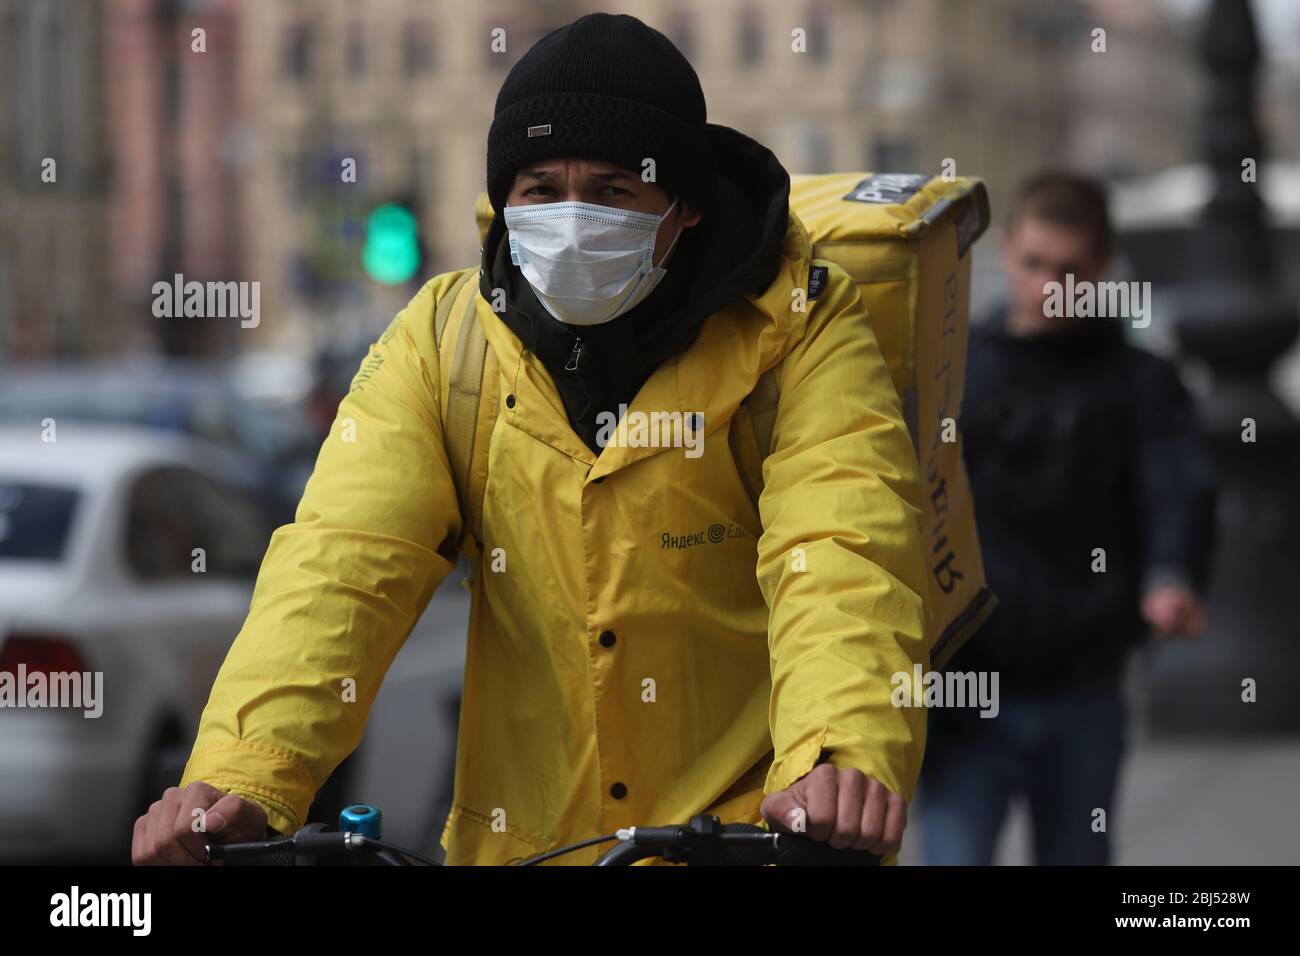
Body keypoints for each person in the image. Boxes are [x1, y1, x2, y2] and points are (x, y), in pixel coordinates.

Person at [132, 13, 932, 866]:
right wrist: (243, 777)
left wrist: (835, 759)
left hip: (742, 837)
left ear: (686, 207)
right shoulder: (444, 339)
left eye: (614, 190)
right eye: (541, 188)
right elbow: (342, 565)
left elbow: (843, 548)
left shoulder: (802, 327)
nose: (573, 218)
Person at [916, 172, 1217, 866]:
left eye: (1071, 269)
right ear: (1010, 249)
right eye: (1035, 264)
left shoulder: (1139, 384)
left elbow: (1176, 487)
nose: (1051, 286)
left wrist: (1171, 577)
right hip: (967, 688)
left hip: (1084, 685)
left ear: (1103, 268)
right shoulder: (953, 372)